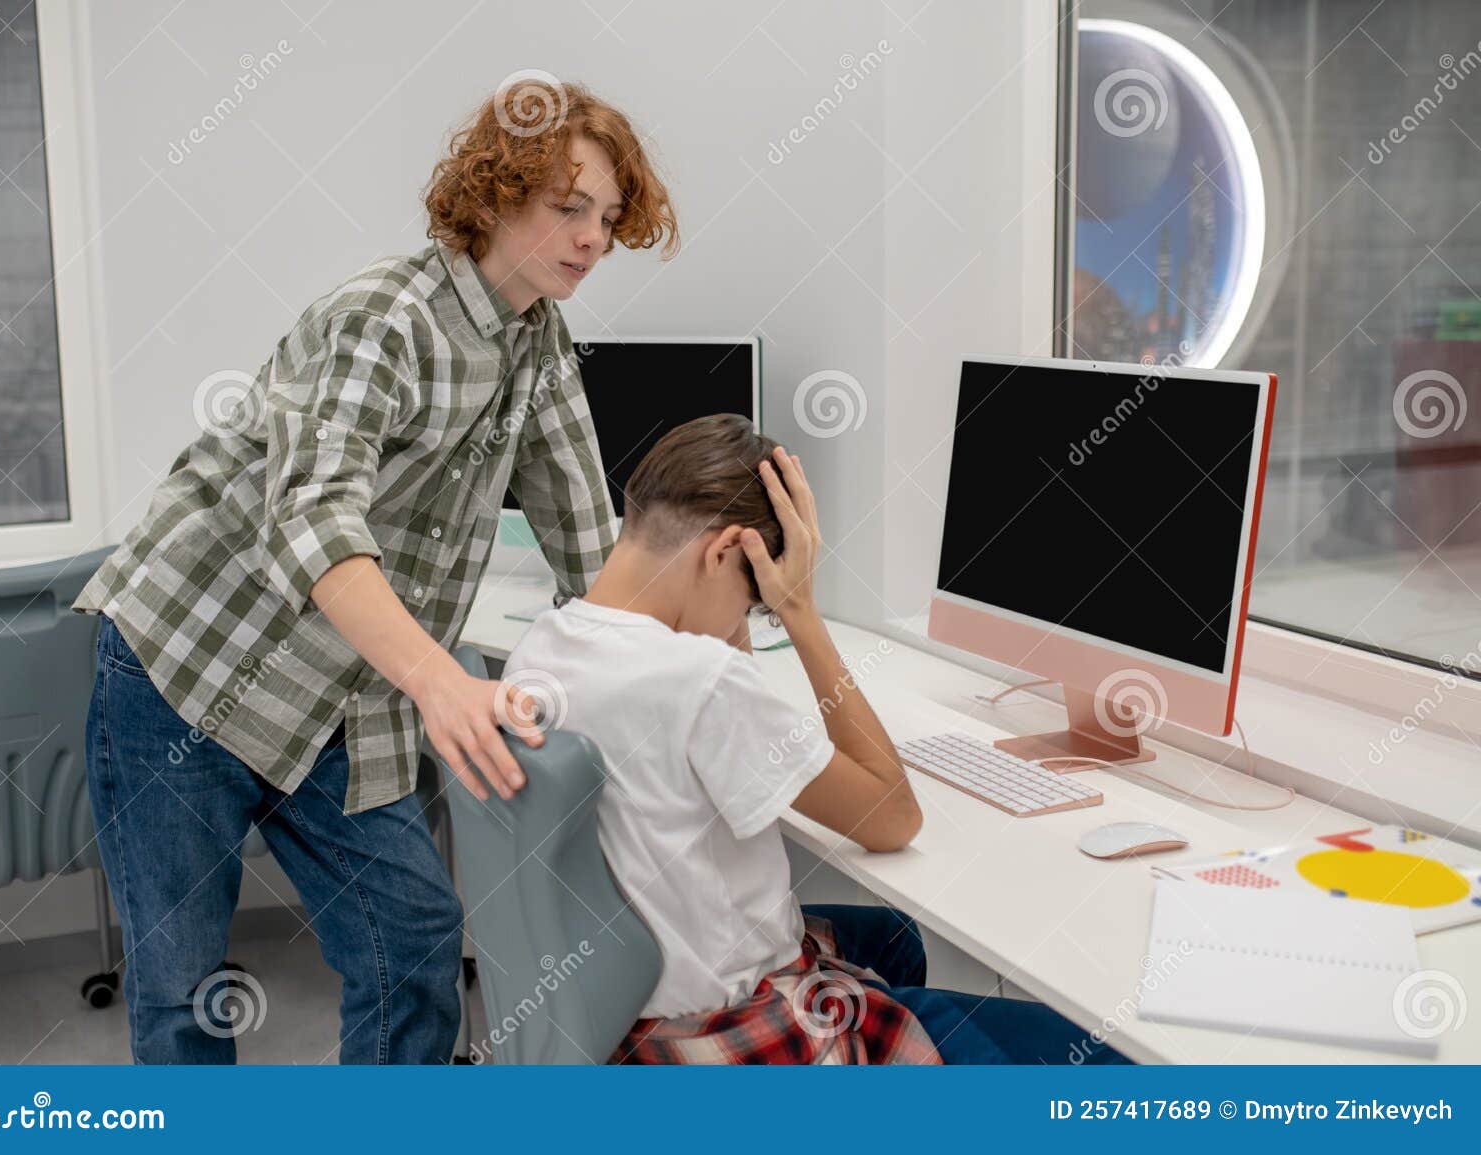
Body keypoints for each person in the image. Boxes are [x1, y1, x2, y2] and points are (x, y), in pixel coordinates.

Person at [73, 78, 677, 1063]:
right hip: (189, 671)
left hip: (344, 699)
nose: (593, 238)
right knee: (184, 991)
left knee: (414, 942)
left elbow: (587, 539)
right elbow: (312, 520)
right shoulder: (380, 318)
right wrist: (442, 683)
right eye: (569, 207)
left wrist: (690, 661)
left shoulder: (539, 345)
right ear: (493, 195)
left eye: (607, 217)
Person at [503, 415, 1131, 1064]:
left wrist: (731, 611)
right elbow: (892, 817)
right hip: (720, 1022)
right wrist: (800, 608)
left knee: (891, 938)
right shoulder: (696, 680)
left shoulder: (541, 647)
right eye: (752, 600)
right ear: (723, 554)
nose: (749, 616)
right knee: (1099, 1060)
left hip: (614, 1008)